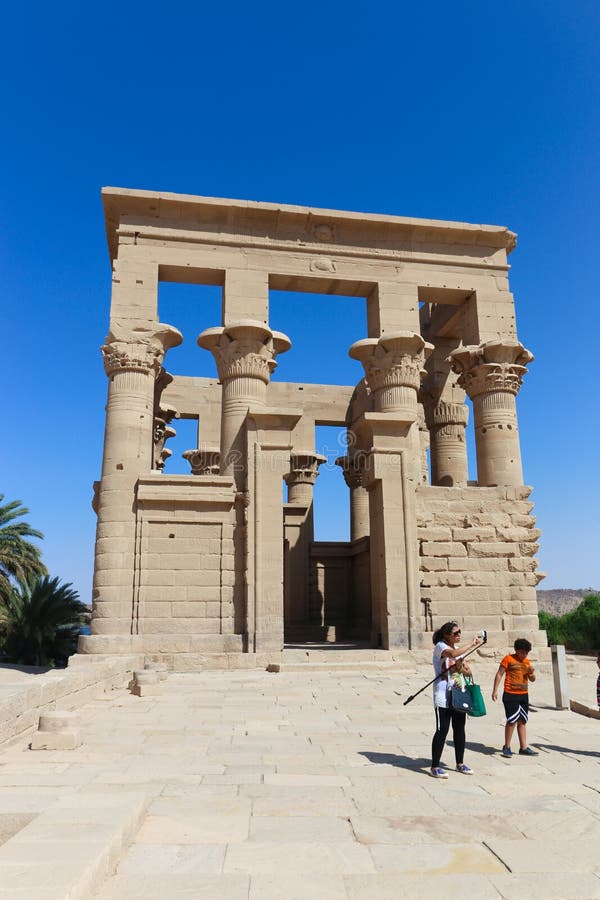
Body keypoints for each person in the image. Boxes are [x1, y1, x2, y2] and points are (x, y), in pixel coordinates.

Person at [430, 622, 484, 779]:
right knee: (442, 730)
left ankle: (460, 763)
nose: (459, 634)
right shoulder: (441, 647)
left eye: (460, 632)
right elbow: (451, 656)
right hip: (443, 695)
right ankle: (435, 766)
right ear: (447, 635)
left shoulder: (459, 651)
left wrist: (460, 667)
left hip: (458, 693)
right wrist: (472, 644)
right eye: (456, 633)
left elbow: (467, 672)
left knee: (459, 729)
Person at [492, 638, 538, 757]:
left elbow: (532, 679)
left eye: (526, 653)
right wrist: (495, 690)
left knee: (522, 721)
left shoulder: (527, 663)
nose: (524, 655)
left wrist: (531, 673)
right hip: (510, 694)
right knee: (512, 720)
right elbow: (499, 674)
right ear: (516, 650)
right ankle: (506, 746)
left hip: (523, 695)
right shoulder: (508, 659)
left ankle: (523, 747)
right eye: (523, 652)